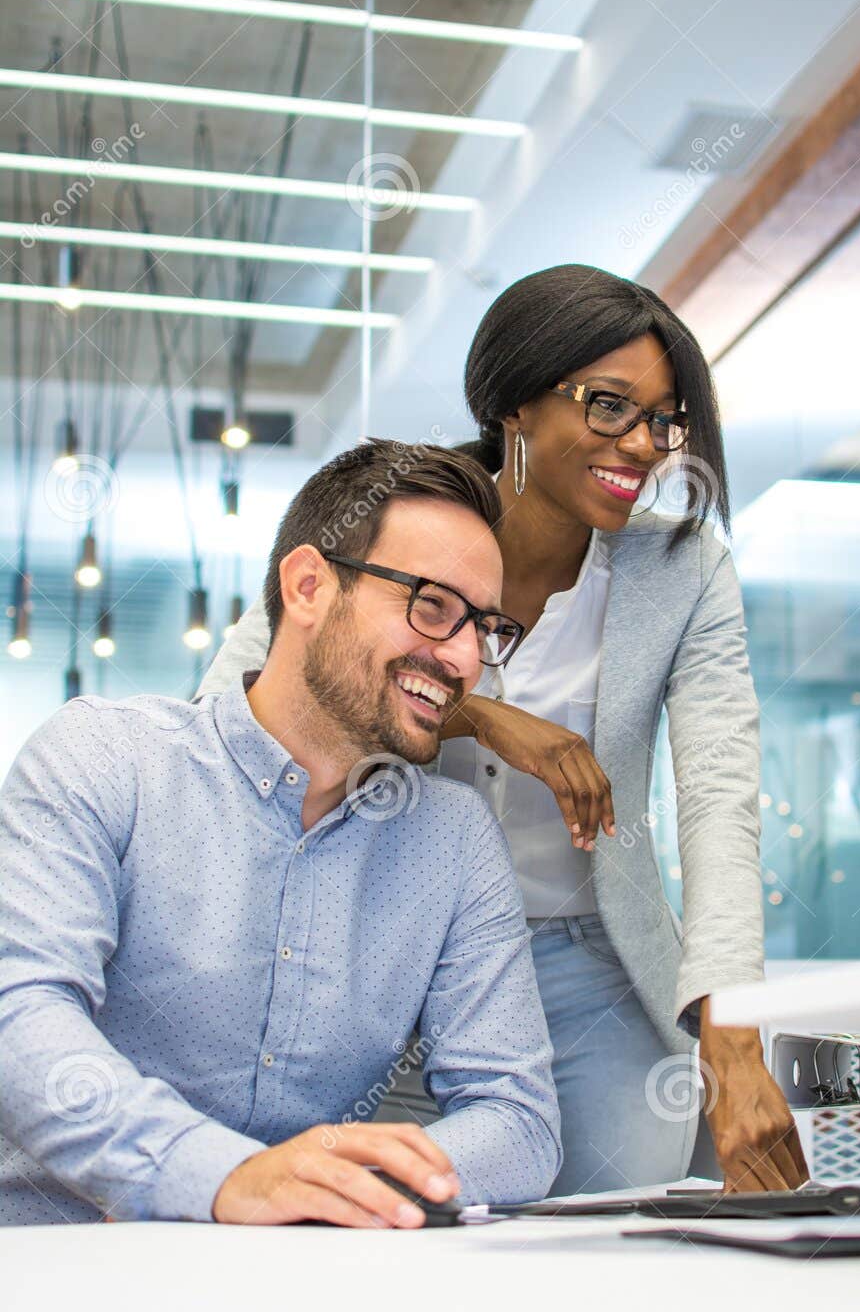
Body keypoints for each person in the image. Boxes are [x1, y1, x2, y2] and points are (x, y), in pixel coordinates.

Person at [203, 264, 808, 1197]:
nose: (643, 444)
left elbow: (721, 796)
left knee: (613, 1216)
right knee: (377, 1213)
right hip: (386, 947)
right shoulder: (391, 519)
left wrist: (733, 1037)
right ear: (514, 405)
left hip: (590, 961)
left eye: (664, 418)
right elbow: (233, 702)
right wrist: (480, 714)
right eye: (609, 407)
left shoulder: (682, 569)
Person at [0, 442, 560, 1227]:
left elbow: (518, 1120)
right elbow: (21, 1022)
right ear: (307, 586)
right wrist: (229, 1177)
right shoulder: (105, 759)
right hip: (54, 1272)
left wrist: (340, 1181)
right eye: (432, 607)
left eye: (486, 627)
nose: (465, 657)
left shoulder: (453, 841)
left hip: (298, 1288)